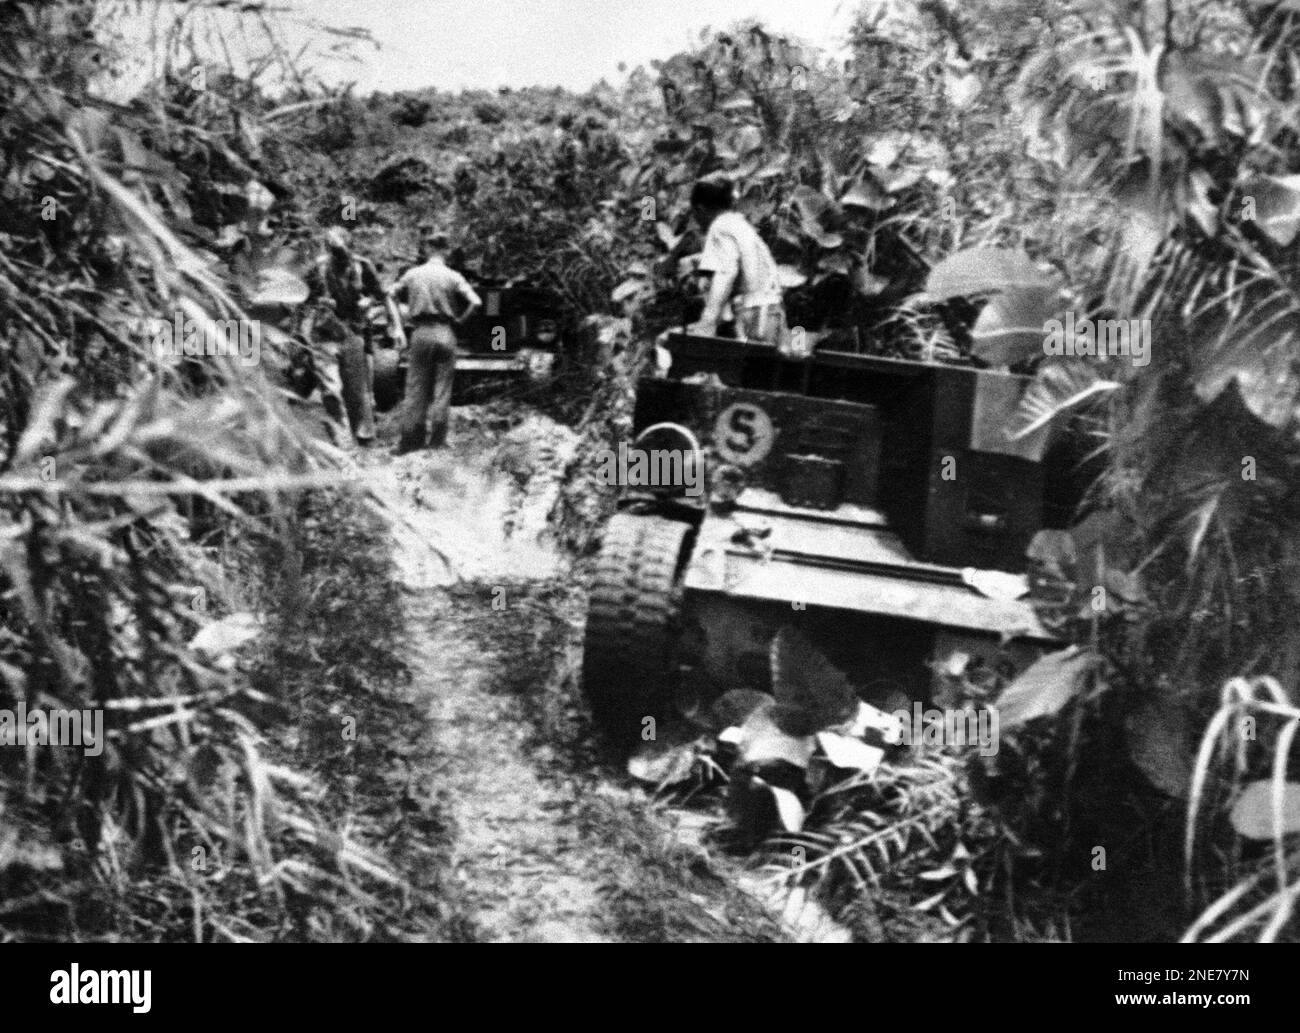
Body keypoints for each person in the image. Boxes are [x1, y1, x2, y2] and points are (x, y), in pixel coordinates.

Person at [301, 226, 404, 445]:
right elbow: (300, 299)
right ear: (328, 251)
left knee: (357, 391)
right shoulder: (317, 268)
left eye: (343, 252)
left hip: (353, 331)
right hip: (324, 333)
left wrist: (397, 327)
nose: (340, 257)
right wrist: (304, 325)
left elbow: (384, 297)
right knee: (330, 389)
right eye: (335, 253)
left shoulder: (362, 266)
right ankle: (343, 441)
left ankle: (363, 438)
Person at [389, 232, 482, 453]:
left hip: (420, 332)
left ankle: (410, 441)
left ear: (428, 249)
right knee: (442, 389)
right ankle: (437, 442)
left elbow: (389, 294)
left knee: (415, 387)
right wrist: (459, 320)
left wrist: (398, 327)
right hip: (446, 332)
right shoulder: (453, 276)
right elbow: (476, 302)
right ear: (446, 251)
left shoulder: (413, 274)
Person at [686, 177, 794, 353]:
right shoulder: (739, 224)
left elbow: (726, 272)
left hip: (754, 314)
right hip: (770, 310)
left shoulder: (719, 227)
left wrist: (708, 320)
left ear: (700, 209)